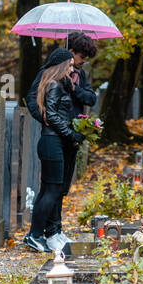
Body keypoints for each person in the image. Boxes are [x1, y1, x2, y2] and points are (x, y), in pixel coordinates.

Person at [24, 32, 100, 246]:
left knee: (61, 188)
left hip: (70, 138)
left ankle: (55, 230)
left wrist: (74, 89)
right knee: (52, 187)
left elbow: (90, 98)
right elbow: (33, 99)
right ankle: (45, 233)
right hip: (56, 134)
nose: (82, 63)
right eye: (81, 57)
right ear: (71, 52)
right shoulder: (50, 74)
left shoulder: (78, 76)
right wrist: (46, 118)